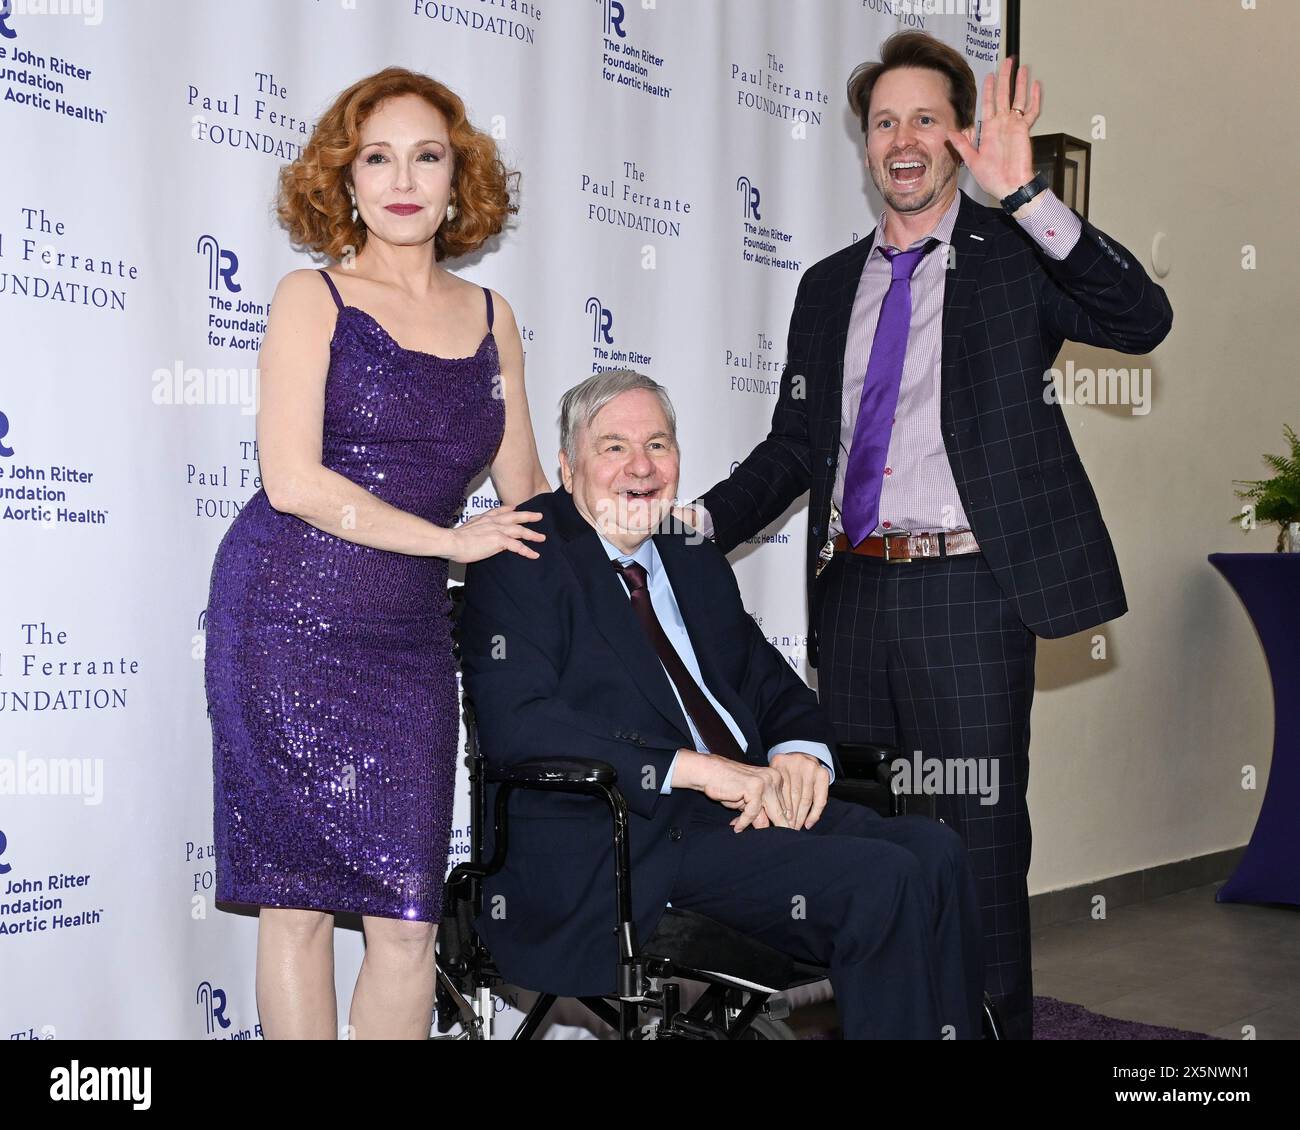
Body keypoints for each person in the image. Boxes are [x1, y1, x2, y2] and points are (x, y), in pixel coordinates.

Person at [680, 33, 1173, 1040]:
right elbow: (791, 447)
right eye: (882, 122)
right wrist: (690, 527)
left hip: (970, 594)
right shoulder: (826, 285)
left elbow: (1142, 317)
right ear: (864, 145)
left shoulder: (1011, 258)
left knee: (979, 841)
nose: (902, 140)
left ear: (959, 137)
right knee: (874, 844)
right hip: (854, 594)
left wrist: (1028, 195)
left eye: (925, 118)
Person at [459, 370, 986, 1039]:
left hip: (749, 810)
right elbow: (518, 727)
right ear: (567, 468)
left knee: (936, 851)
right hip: (629, 839)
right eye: (613, 447)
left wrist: (799, 752)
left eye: (658, 444)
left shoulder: (688, 552)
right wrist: (696, 768)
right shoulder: (522, 559)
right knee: (881, 881)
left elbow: (766, 682)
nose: (641, 467)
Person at [204, 67, 550, 1040]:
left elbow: (524, 493)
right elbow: (294, 482)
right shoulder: (311, 296)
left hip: (401, 640)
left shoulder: (492, 318)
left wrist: (624, 528)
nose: (404, 178)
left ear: (458, 177)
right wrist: (450, 541)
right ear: (344, 179)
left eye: (427, 155)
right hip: (285, 618)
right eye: (377, 156)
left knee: (406, 916)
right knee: (299, 901)